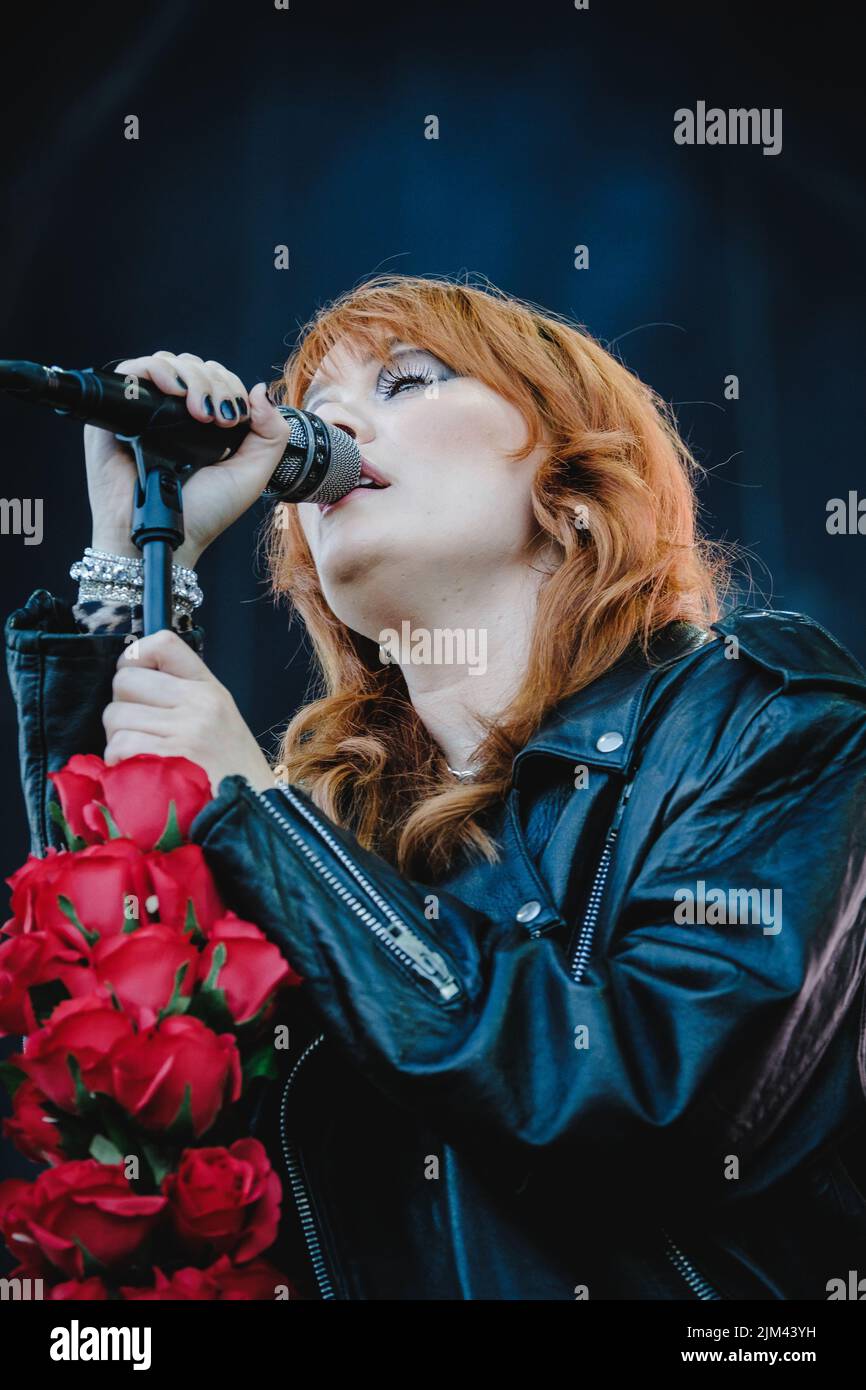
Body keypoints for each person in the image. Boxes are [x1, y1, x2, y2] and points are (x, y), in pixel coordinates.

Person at [6, 273, 866, 1300]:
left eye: (408, 381)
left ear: (572, 476)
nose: (324, 429)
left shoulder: (755, 717)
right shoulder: (321, 823)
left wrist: (266, 826)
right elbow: (108, 1081)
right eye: (313, 416)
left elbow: (644, 1095)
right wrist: (134, 550)